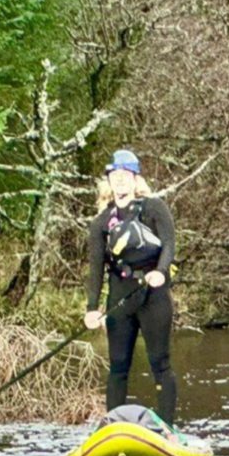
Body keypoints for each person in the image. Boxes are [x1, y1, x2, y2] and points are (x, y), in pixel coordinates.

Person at [85, 149, 180, 425]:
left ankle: (166, 427)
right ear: (109, 181)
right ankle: (113, 425)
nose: (121, 181)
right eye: (116, 176)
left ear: (135, 179)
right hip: (120, 298)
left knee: (160, 363)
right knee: (118, 366)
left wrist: (161, 272)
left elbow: (169, 244)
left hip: (153, 296)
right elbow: (95, 269)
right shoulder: (101, 222)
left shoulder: (154, 208)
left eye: (126, 176)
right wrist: (92, 308)